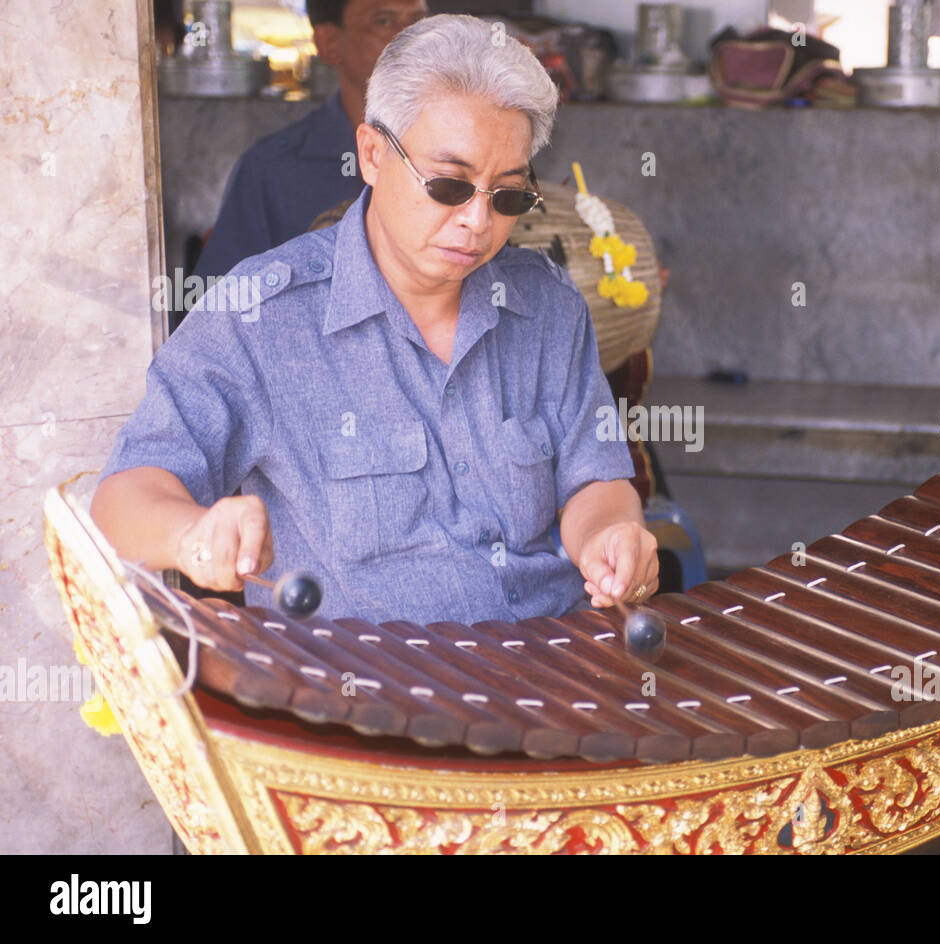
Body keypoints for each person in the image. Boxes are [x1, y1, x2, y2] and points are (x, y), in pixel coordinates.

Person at [92, 14, 660, 625]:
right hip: (364, 693)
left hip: (548, 663)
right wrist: (193, 536)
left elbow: (592, 480)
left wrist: (612, 535)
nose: (477, 221)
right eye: (450, 185)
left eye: (509, 196)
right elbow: (120, 502)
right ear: (371, 154)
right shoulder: (260, 317)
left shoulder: (546, 305)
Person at [192, 0, 429, 280]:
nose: (410, 37)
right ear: (329, 43)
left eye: (418, 20)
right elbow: (222, 305)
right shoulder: (272, 171)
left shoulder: (464, 156)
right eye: (383, 21)